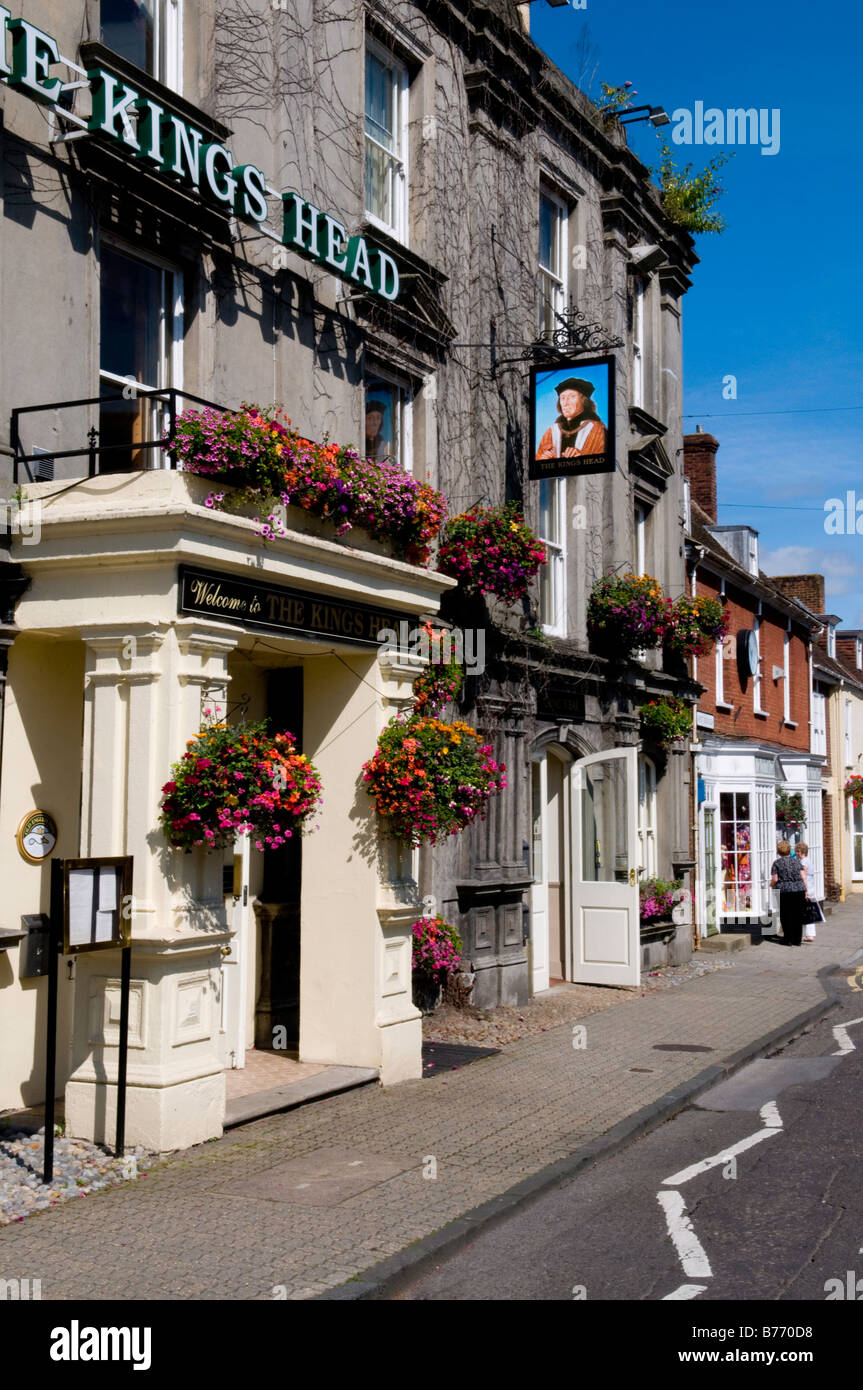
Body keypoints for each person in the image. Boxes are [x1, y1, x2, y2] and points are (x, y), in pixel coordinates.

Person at [535, 377, 606, 460]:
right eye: (562, 398)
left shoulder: (597, 429)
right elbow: (537, 460)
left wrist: (581, 458)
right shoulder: (552, 431)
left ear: (584, 401)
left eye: (572, 396)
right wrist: (544, 460)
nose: (566, 403)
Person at [770, 840, 806, 946]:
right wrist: (806, 889)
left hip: (784, 891)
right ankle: (797, 940)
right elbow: (803, 876)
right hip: (799, 889)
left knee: (786, 915)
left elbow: (775, 879)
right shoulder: (797, 862)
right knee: (797, 915)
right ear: (789, 850)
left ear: (778, 851)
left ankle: (788, 939)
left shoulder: (777, 863)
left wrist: (771, 885)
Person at [796, 842, 816, 941]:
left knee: (801, 911)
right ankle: (810, 934)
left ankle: (805, 934)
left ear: (801, 852)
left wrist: (805, 889)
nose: (796, 853)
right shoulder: (809, 860)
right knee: (809, 911)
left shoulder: (803, 862)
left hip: (806, 888)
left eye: (797, 851)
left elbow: (803, 875)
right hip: (811, 887)